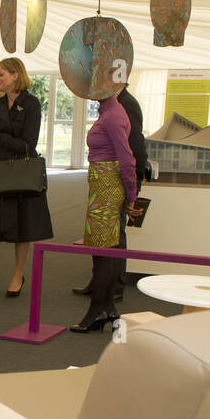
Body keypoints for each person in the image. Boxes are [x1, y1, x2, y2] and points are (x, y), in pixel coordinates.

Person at [0, 57, 53, 298]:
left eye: (1, 74)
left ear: (16, 75)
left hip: (21, 171)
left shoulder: (32, 104)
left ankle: (18, 274)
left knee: (22, 224)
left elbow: (28, 144)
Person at [71, 88, 142, 333]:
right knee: (105, 250)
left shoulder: (113, 114)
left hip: (108, 188)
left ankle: (96, 311)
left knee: (103, 251)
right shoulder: (108, 110)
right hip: (102, 187)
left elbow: (127, 158)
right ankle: (109, 308)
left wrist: (131, 196)